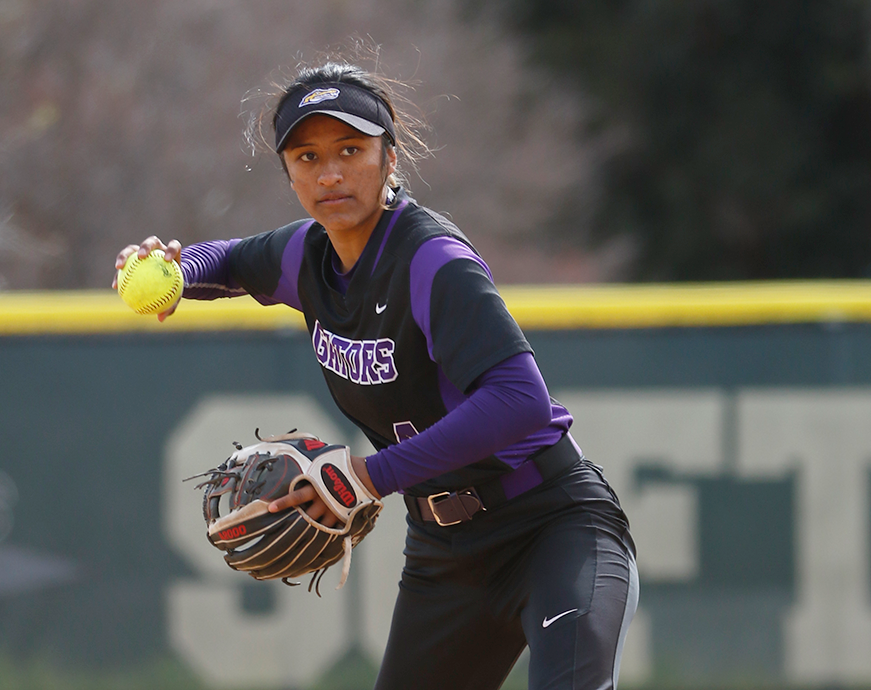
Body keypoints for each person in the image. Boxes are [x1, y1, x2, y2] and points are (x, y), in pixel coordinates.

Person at [114, 59, 638, 690]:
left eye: (352, 149)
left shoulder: (431, 260)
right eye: (306, 157)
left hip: (552, 528)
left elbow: (520, 401)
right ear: (287, 170)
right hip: (446, 556)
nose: (330, 173)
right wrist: (173, 271)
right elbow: (227, 260)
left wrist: (368, 475)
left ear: (391, 158)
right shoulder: (304, 255)